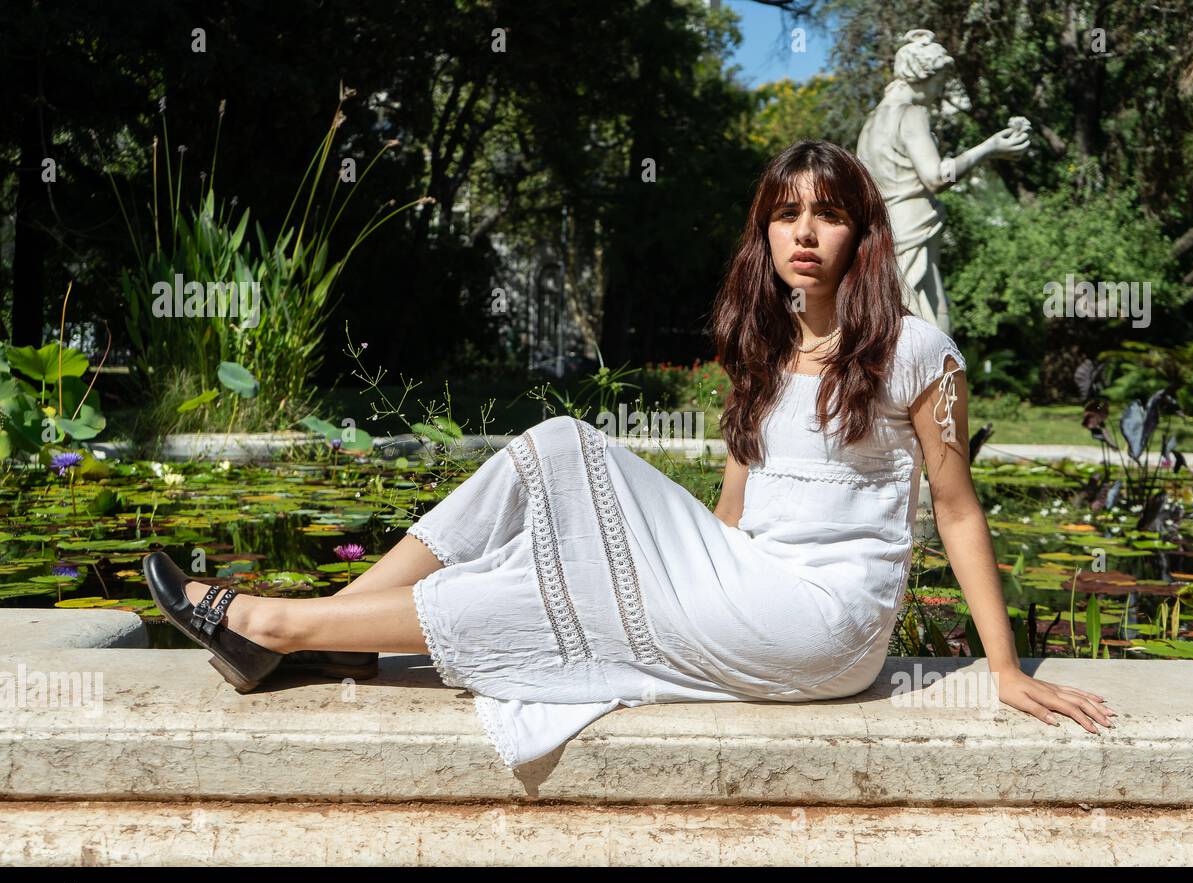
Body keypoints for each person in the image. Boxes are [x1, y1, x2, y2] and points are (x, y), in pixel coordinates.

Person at [143, 139, 1115, 770]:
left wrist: (1004, 667)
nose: (804, 232)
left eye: (827, 212)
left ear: (861, 230)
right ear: (765, 232)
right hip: (740, 576)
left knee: (557, 584)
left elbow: (955, 508)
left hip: (824, 619)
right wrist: (670, 575)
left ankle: (275, 620)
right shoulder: (762, 342)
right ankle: (344, 627)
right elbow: (731, 507)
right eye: (786, 213)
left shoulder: (913, 346)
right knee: (557, 444)